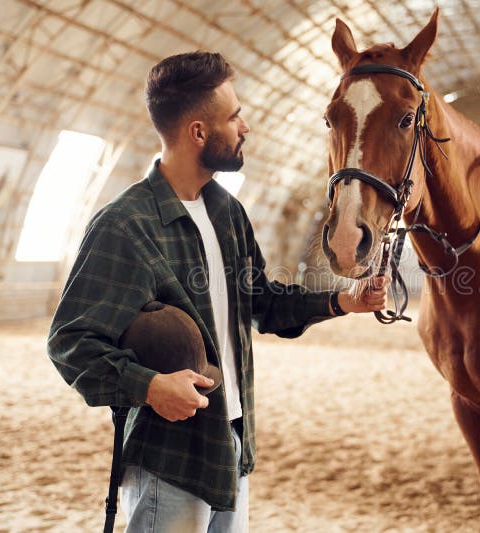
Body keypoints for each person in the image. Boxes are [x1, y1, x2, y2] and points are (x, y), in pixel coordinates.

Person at [47, 51, 388, 532]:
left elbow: (262, 303)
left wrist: (341, 300)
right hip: (170, 457)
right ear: (199, 133)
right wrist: (149, 386)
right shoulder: (126, 225)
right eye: (235, 116)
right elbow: (70, 343)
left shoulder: (227, 212)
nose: (245, 126)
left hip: (231, 441)